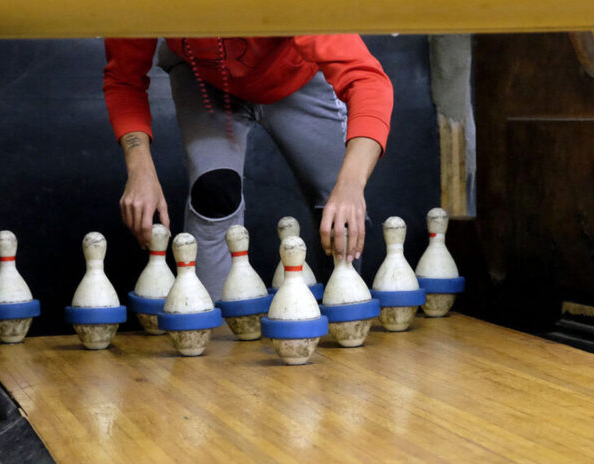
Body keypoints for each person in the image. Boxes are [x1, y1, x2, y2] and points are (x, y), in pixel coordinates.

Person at [103, 35, 393, 299]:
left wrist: (352, 185)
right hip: (205, 78)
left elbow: (367, 81)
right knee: (213, 193)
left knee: (340, 208)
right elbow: (124, 77)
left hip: (297, 73)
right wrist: (139, 168)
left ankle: (346, 320)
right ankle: (213, 338)